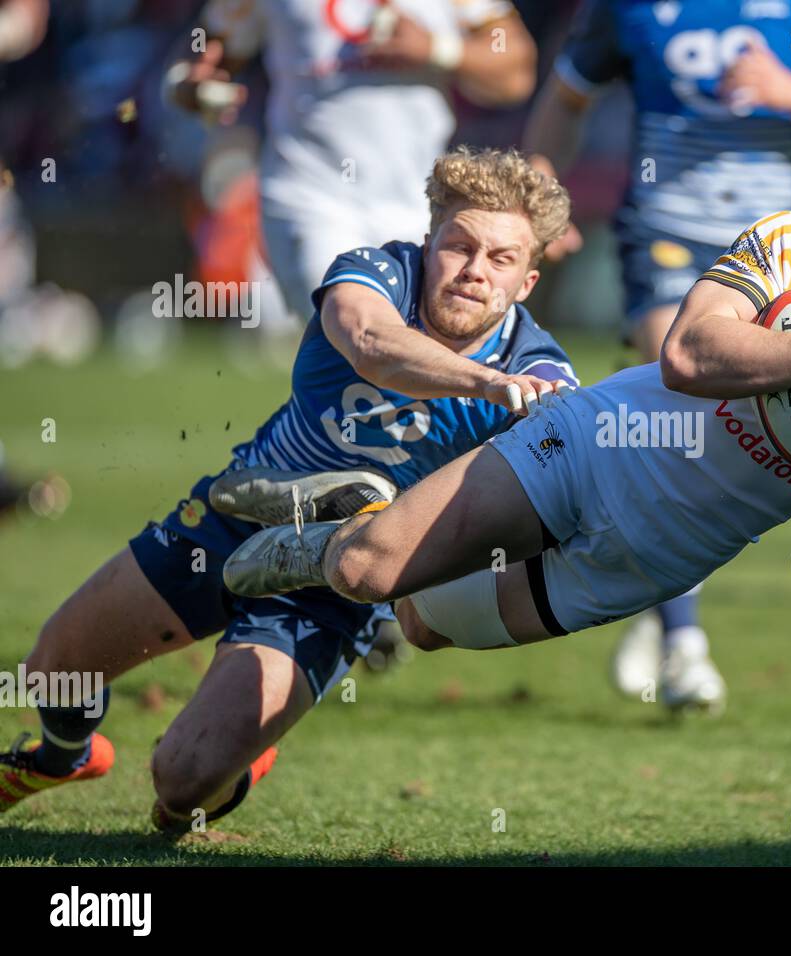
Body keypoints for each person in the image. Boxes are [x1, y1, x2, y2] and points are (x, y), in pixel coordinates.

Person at [222, 93, 791, 694]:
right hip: (593, 449)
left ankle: (353, 511)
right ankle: (327, 540)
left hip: (652, 559)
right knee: (370, 570)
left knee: (422, 626)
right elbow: (688, 352)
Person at [1, 149, 578, 828]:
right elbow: (369, 342)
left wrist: (553, 423)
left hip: (334, 581)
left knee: (180, 787)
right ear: (430, 243)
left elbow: (553, 484)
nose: (475, 270)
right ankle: (63, 755)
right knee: (53, 670)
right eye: (459, 245)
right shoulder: (378, 274)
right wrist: (484, 385)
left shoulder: (539, 369)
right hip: (238, 511)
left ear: (528, 281)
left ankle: (236, 756)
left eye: (501, 259)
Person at [522, 0, 791, 712]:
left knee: (716, 443)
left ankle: (656, 595)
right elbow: (565, 99)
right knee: (682, 396)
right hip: (665, 234)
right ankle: (685, 643)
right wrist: (540, 196)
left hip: (775, 252)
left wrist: (790, 91)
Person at [166, 0, 538, 327]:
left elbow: (516, 71)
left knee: (413, 375)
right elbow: (200, 57)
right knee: (358, 336)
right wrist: (192, 87)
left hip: (421, 207)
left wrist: (437, 50)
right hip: (310, 198)